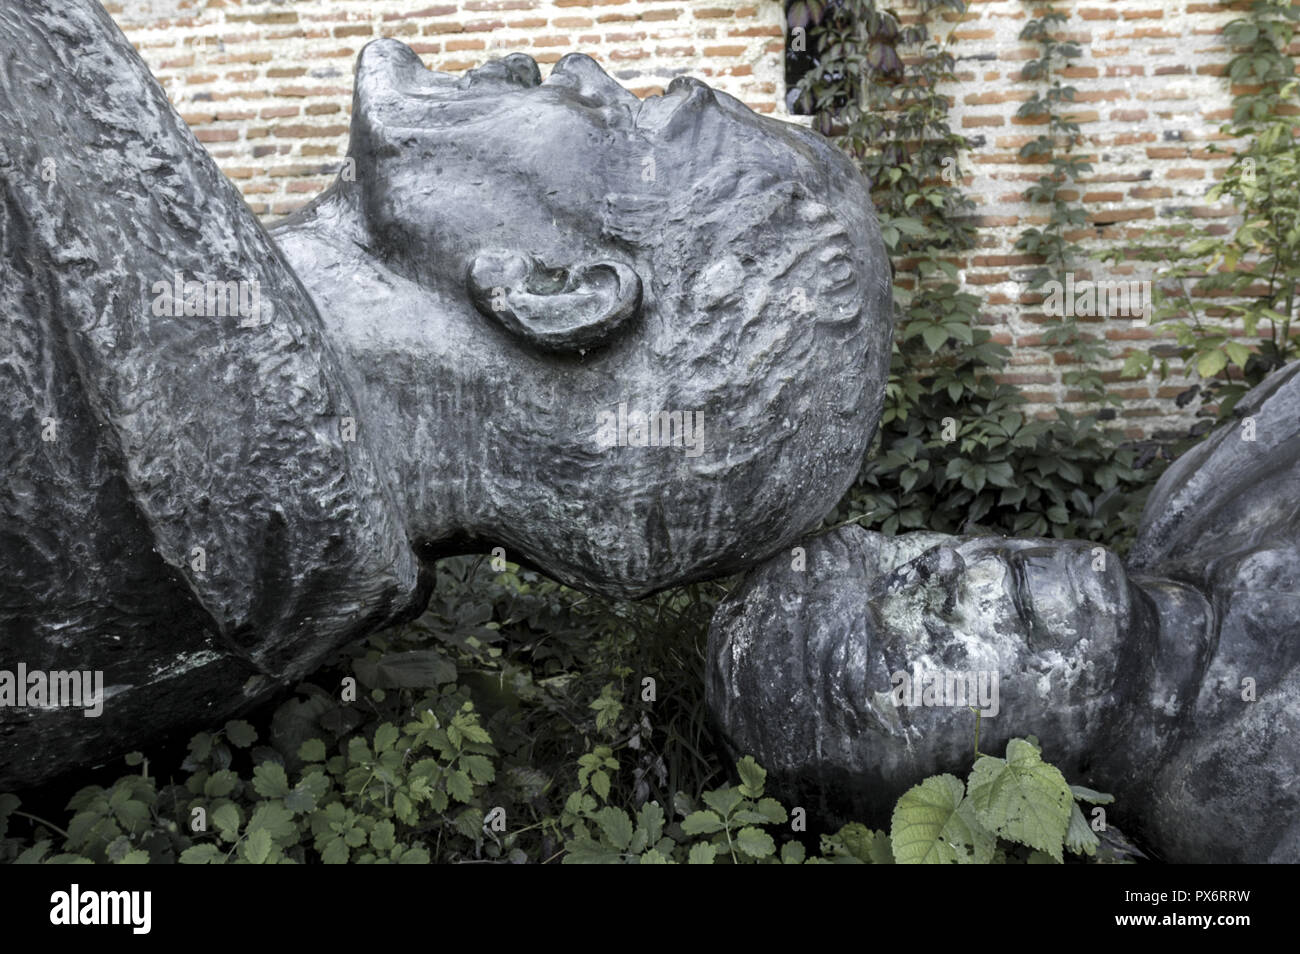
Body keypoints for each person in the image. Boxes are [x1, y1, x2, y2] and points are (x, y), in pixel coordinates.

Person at [0, 3, 890, 788]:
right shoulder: (208, 651)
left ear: (556, 293)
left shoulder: (44, 168)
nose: (578, 68)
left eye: (630, 115)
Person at [708, 362, 1300, 863]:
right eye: (879, 658)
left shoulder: (1204, 491)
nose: (938, 568)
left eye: (888, 553)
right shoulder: (1267, 821)